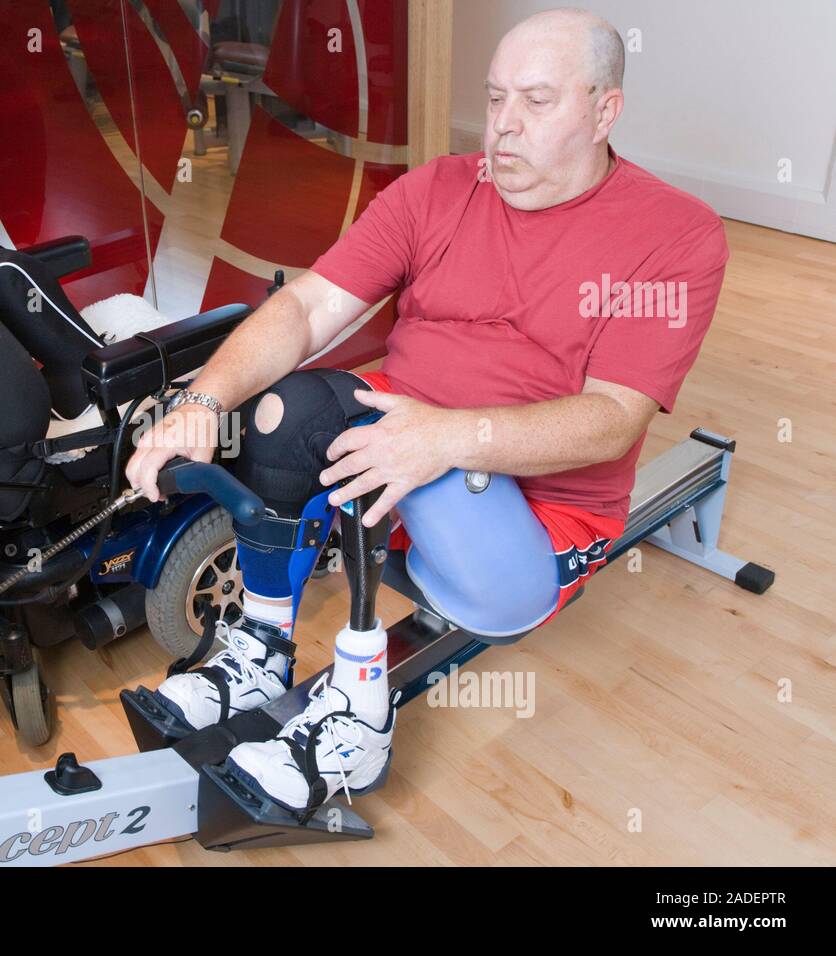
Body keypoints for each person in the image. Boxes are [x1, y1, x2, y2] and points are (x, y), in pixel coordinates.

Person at [125, 7, 729, 813]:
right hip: (395, 465)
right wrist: (200, 402)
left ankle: (358, 713)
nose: (503, 129)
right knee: (280, 409)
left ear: (604, 110)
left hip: (522, 534)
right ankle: (261, 651)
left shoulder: (675, 235)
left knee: (455, 534)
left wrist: (446, 438)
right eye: (495, 98)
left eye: (537, 102)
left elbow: (614, 417)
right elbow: (305, 309)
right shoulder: (440, 188)